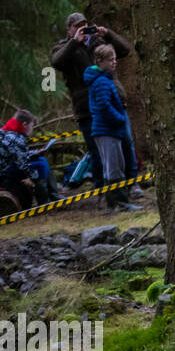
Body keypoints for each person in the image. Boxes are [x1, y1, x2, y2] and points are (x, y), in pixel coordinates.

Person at [51, 12, 131, 191]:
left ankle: (126, 188)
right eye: (78, 26)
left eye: (85, 25)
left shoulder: (98, 43)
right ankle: (104, 191)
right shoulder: (64, 48)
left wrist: (107, 34)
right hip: (86, 109)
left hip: (113, 103)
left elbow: (125, 50)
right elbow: (56, 62)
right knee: (97, 153)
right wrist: (74, 42)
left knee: (124, 146)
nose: (83, 29)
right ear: (69, 29)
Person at [85, 44, 140, 212]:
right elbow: (103, 106)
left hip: (110, 130)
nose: (114, 63)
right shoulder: (101, 81)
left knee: (115, 165)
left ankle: (114, 203)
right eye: (110, 60)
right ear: (100, 61)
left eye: (115, 59)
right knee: (114, 167)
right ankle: (119, 203)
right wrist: (120, 118)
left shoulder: (105, 79)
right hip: (106, 130)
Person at [2, 110, 59, 204]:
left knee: (42, 160)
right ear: (25, 124)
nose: (32, 129)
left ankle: (53, 194)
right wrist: (35, 177)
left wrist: (35, 152)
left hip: (7, 166)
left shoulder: (8, 131)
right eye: (32, 126)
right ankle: (44, 200)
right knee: (41, 165)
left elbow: (16, 154)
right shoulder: (16, 139)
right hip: (4, 173)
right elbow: (23, 166)